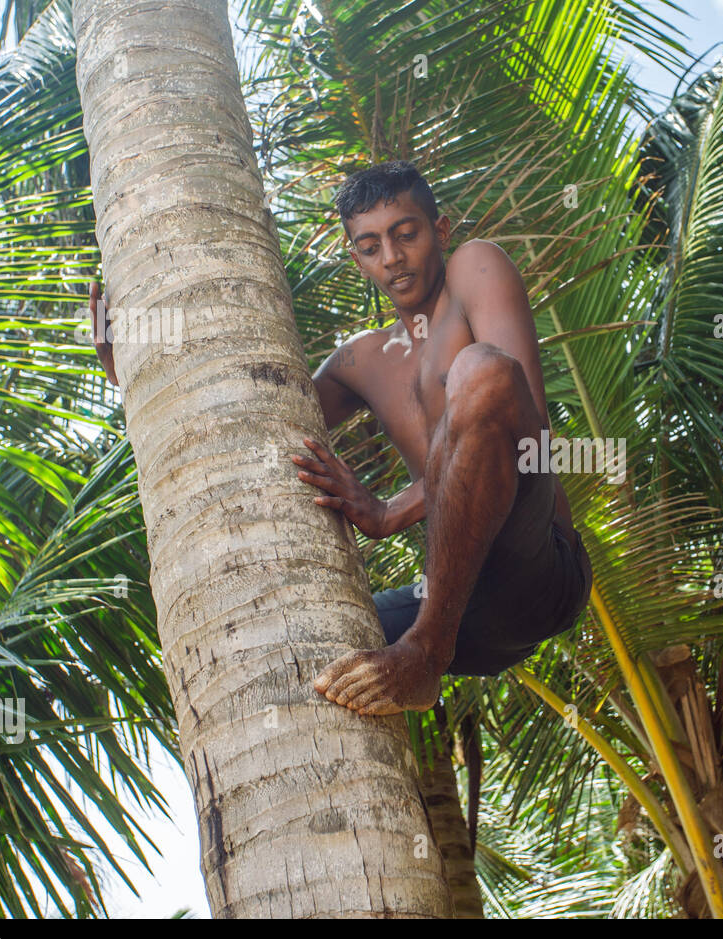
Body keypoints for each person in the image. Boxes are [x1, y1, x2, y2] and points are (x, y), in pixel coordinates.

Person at [90, 160, 593, 715]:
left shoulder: (475, 269)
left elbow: (531, 431)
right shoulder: (363, 358)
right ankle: (417, 659)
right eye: (371, 245)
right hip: (459, 599)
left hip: (539, 565)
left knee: (481, 371)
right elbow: (253, 421)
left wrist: (387, 513)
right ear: (356, 257)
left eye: (406, 234)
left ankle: (423, 657)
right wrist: (132, 374)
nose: (393, 258)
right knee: (287, 650)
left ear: (440, 231)